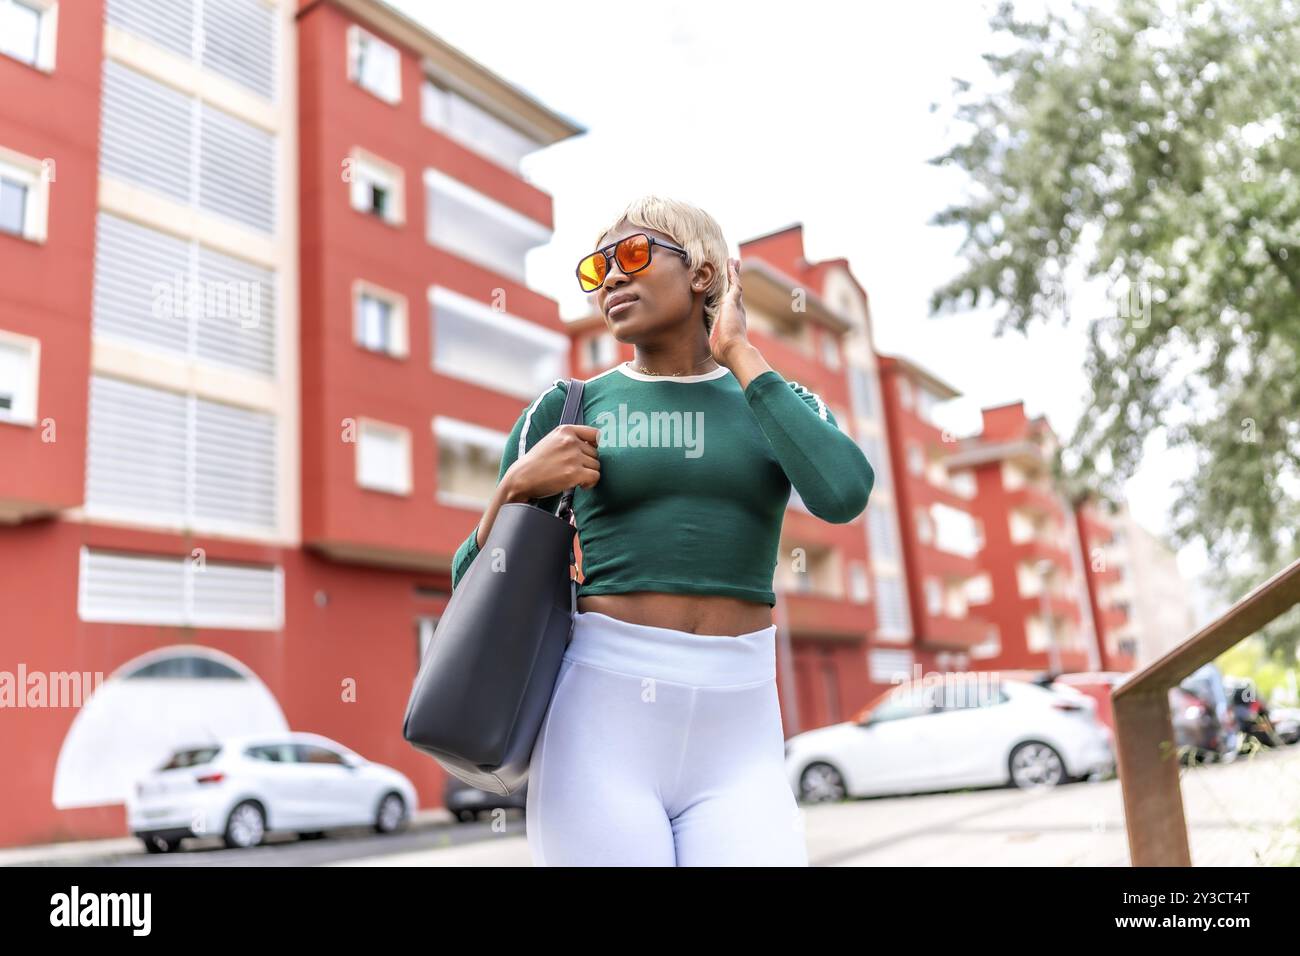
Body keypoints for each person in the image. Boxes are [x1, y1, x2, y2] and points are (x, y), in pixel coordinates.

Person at [449, 195, 875, 866]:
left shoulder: (775, 400)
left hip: (742, 733)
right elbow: (469, 591)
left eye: (635, 256)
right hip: (602, 723)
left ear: (704, 273)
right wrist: (514, 489)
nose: (612, 277)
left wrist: (740, 355)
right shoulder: (564, 410)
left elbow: (845, 495)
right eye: (598, 269)